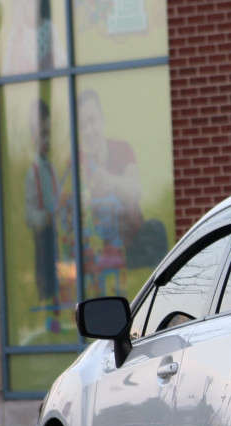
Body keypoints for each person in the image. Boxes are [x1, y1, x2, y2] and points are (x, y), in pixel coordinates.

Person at [77, 89, 167, 296]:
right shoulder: (76, 164)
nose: (89, 130)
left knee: (156, 229)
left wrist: (108, 181)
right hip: (97, 248)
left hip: (134, 245)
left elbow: (134, 191)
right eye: (83, 126)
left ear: (102, 120)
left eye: (92, 121)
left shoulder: (121, 149)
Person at [24, 98, 62, 333]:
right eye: (42, 134)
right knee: (47, 279)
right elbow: (29, 214)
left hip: (56, 234)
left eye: (49, 133)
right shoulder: (33, 172)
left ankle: (56, 318)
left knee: (58, 278)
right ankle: (49, 321)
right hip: (43, 237)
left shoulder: (51, 168)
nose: (46, 140)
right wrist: (45, 217)